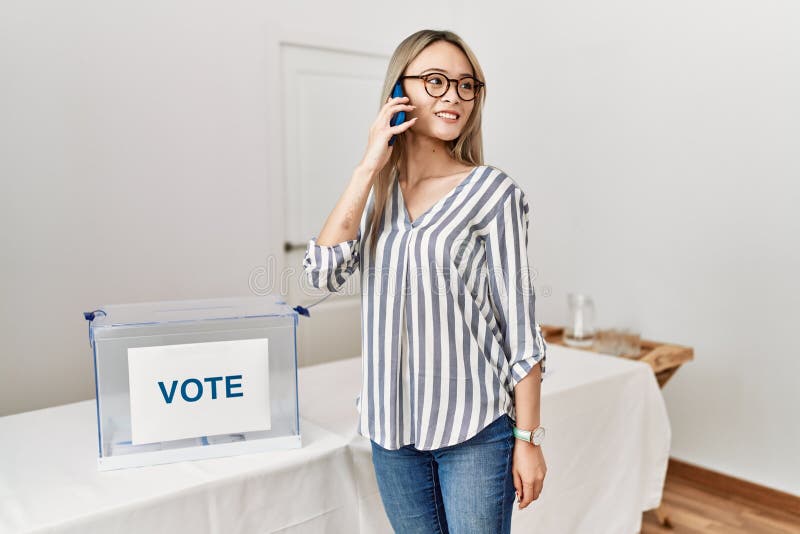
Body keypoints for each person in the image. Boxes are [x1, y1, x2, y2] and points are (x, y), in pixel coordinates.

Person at [303, 28, 547, 534]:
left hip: (475, 431)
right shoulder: (380, 194)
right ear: (399, 91)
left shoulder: (493, 192)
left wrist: (529, 438)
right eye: (435, 81)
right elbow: (322, 274)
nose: (453, 96)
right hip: (391, 432)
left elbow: (521, 331)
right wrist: (369, 164)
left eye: (466, 85)